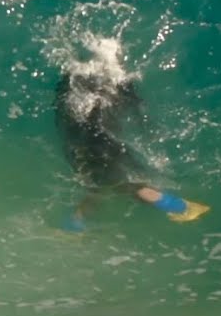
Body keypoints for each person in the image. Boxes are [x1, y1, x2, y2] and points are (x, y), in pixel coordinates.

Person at [55, 71, 208, 231]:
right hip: (104, 143)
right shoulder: (116, 83)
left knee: (120, 185)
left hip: (95, 144)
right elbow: (134, 104)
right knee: (110, 185)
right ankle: (74, 223)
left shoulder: (73, 85)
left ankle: (182, 207)